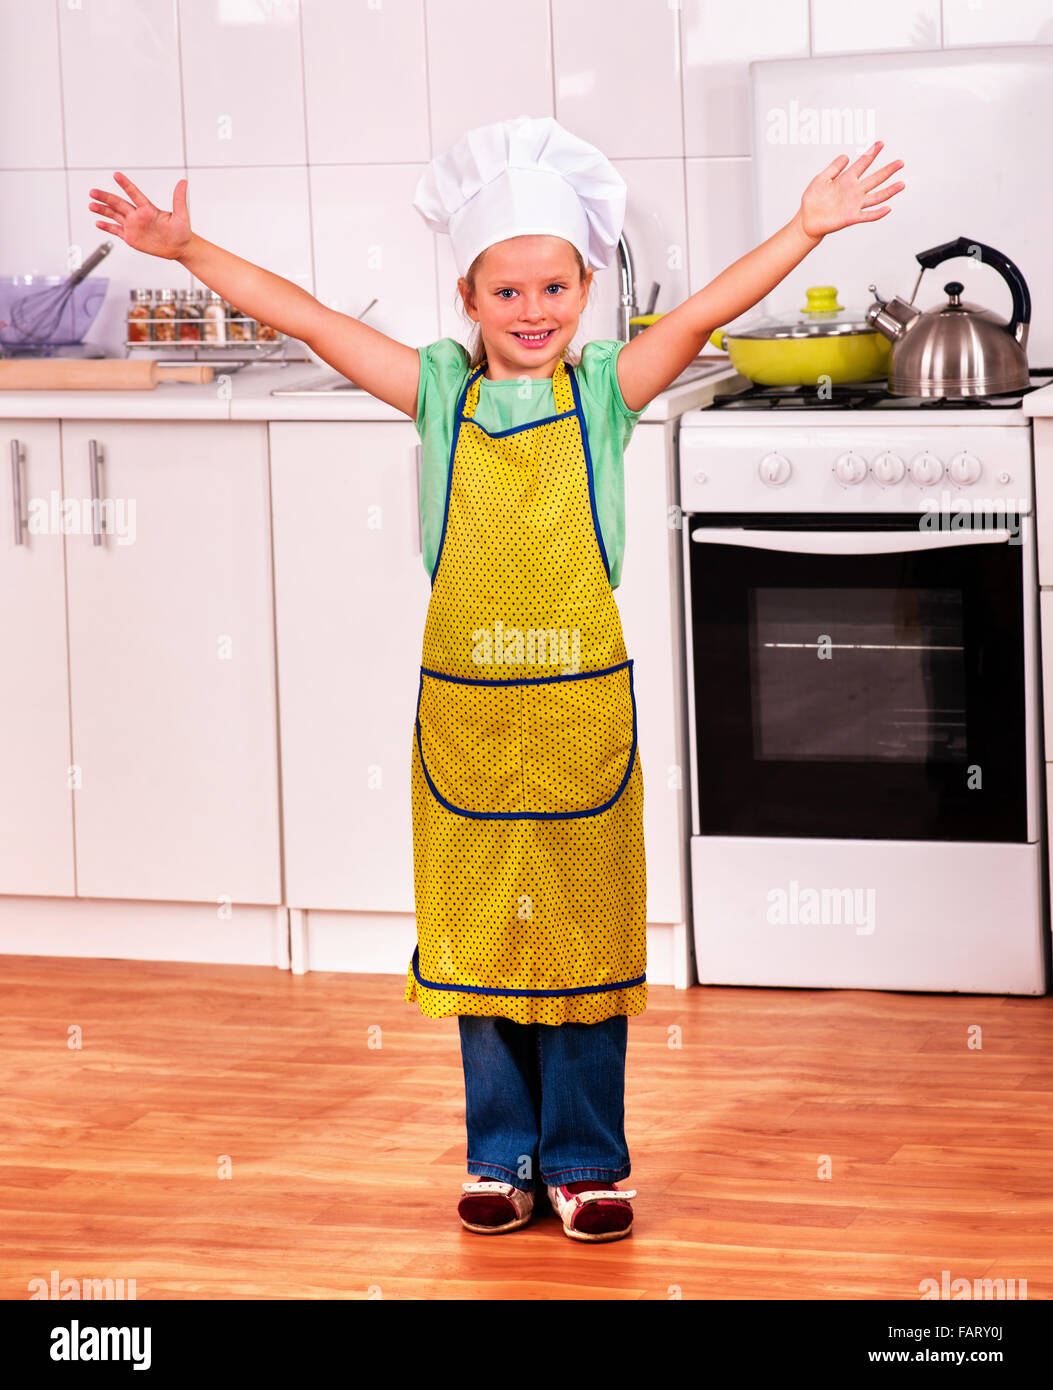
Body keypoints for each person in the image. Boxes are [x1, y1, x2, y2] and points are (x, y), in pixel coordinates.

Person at [88, 116, 903, 1245]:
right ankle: (500, 1156)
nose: (535, 313)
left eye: (555, 288)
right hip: (469, 720)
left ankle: (584, 1160)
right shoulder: (431, 389)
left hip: (576, 718)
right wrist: (189, 251)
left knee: (582, 936)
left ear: (587, 287)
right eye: (509, 291)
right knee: (481, 938)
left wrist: (803, 229)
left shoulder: (611, 388)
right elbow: (311, 320)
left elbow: (710, 308)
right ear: (469, 297)